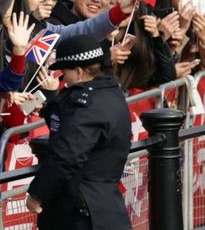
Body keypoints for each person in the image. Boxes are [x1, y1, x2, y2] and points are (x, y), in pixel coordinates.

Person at [26, 35, 131, 230]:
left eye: (64, 72)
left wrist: (37, 194)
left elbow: (67, 154)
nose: (63, 78)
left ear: (79, 71)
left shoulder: (88, 103)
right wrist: (48, 107)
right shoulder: (110, 93)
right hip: (103, 205)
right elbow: (69, 120)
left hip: (83, 210)